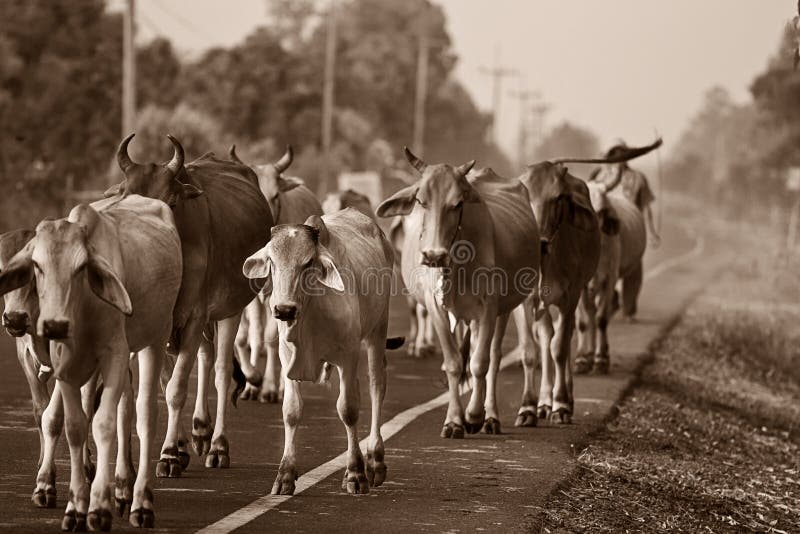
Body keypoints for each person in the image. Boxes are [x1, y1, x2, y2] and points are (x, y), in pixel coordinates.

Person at [590, 140, 661, 321]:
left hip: (630, 226)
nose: (618, 157)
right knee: (601, 269)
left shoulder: (638, 178)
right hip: (605, 228)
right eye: (614, 153)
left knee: (633, 268)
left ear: (628, 155)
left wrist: (652, 232)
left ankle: (629, 310)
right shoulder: (597, 175)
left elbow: (645, 206)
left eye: (622, 153)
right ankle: (609, 299)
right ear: (607, 156)